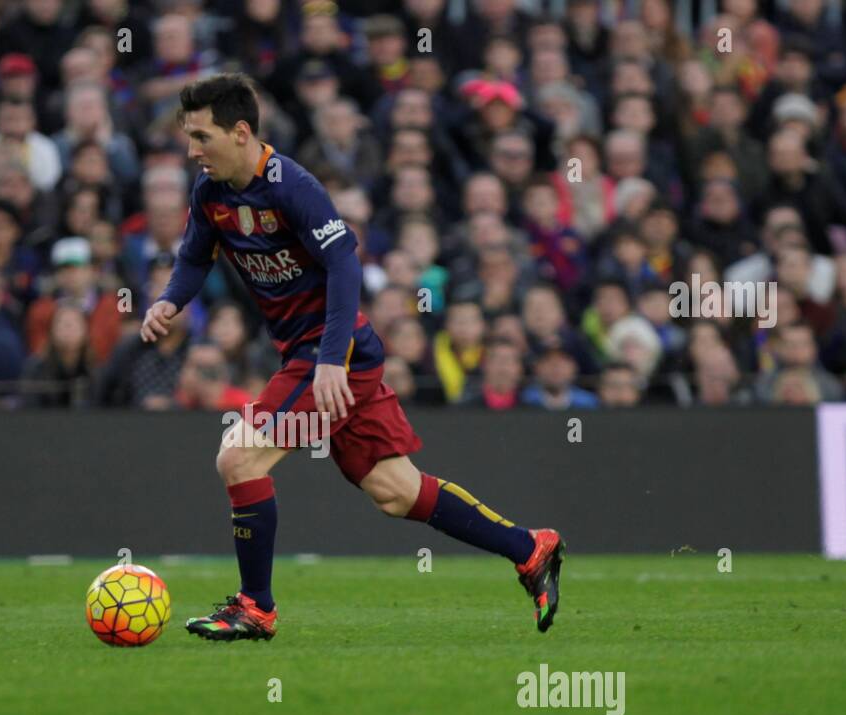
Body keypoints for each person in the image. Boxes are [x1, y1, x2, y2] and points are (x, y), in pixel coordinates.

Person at [140, 75, 565, 639]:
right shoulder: (210, 192)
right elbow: (195, 257)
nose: (192, 150)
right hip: (320, 358)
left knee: (238, 458)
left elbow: (344, 263)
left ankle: (255, 607)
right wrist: (170, 300)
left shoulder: (291, 185)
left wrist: (329, 359)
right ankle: (529, 548)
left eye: (201, 136)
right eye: (188, 137)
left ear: (240, 132)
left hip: (331, 356)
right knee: (397, 492)